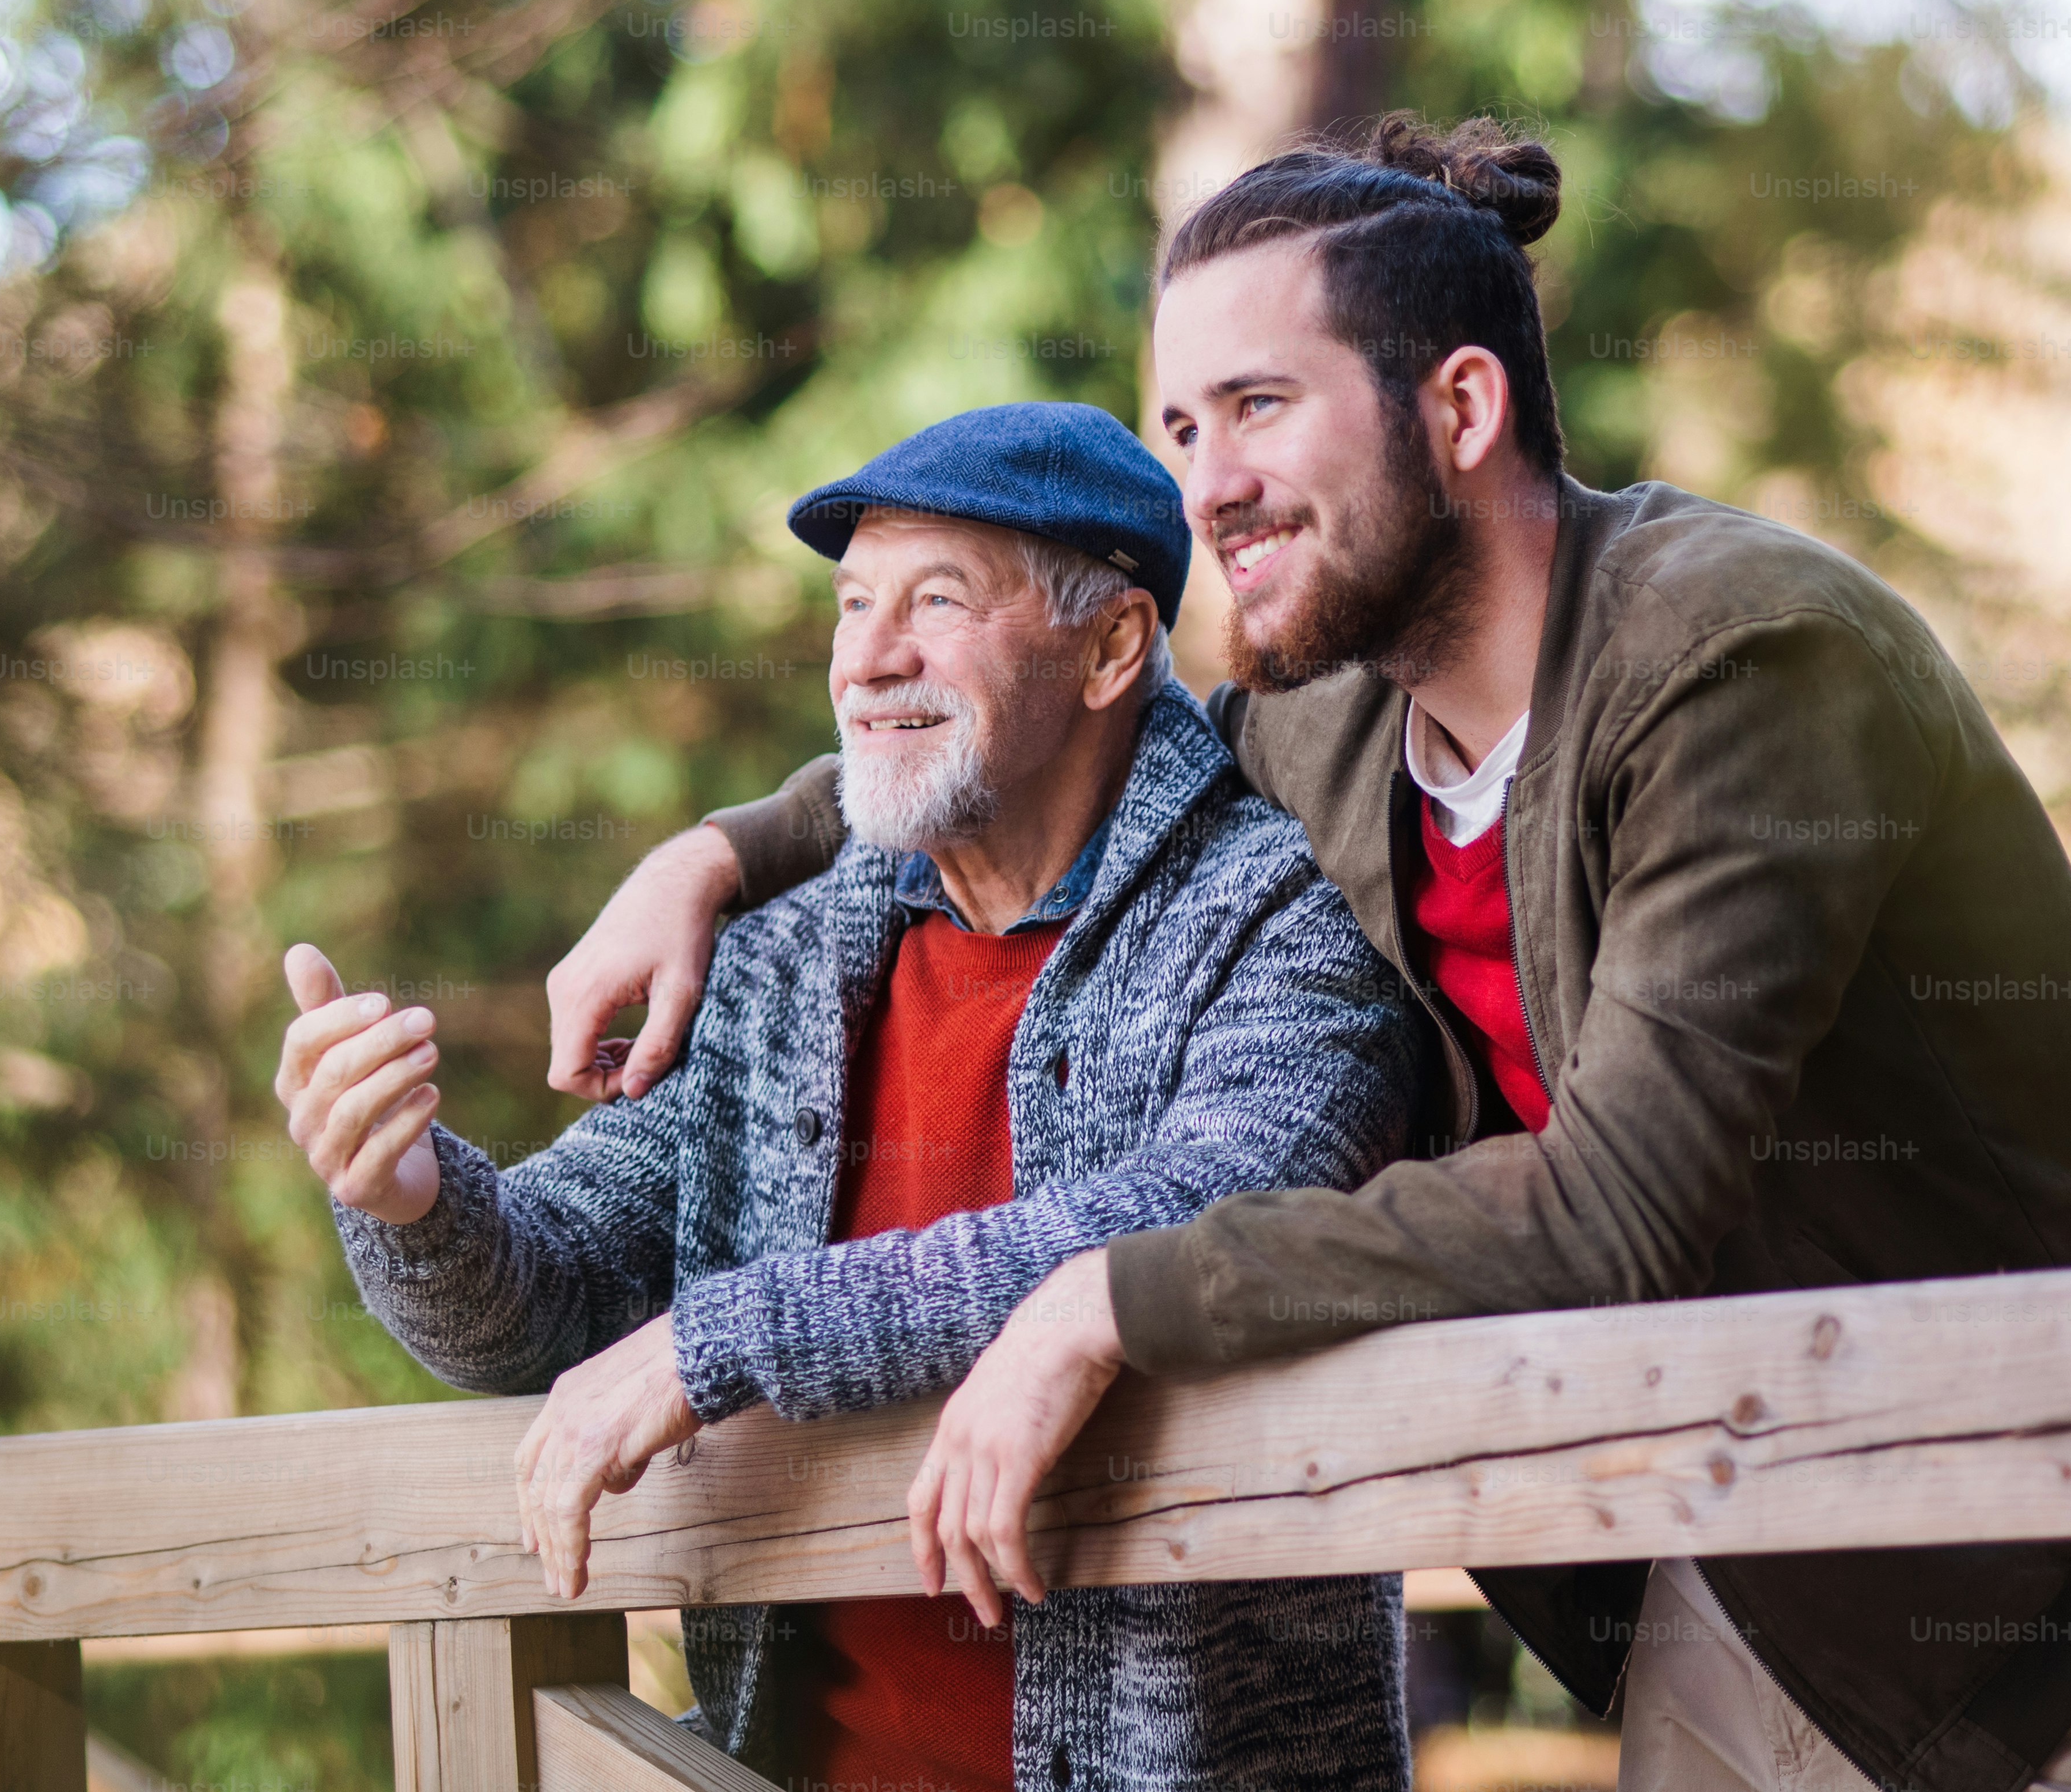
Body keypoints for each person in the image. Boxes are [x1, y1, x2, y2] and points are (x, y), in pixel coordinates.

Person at [547, 117, 2071, 1792]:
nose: (1205, 487)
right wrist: (716, 853)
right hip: (1752, 1551)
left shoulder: (1748, 662)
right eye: (1177, 425)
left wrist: (1108, 1298)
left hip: (2063, 1549)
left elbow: (1621, 1204)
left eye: (1258, 407)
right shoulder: (1336, 738)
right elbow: (1058, 739)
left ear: (1458, 406)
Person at [276, 402, 1428, 1792]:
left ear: (1115, 644)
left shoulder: (1286, 909)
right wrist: (403, 1192)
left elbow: (1211, 1213)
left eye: (936, 600)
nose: (868, 658)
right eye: (853, 602)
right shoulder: (784, 958)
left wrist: (724, 1337)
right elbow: (554, 1298)